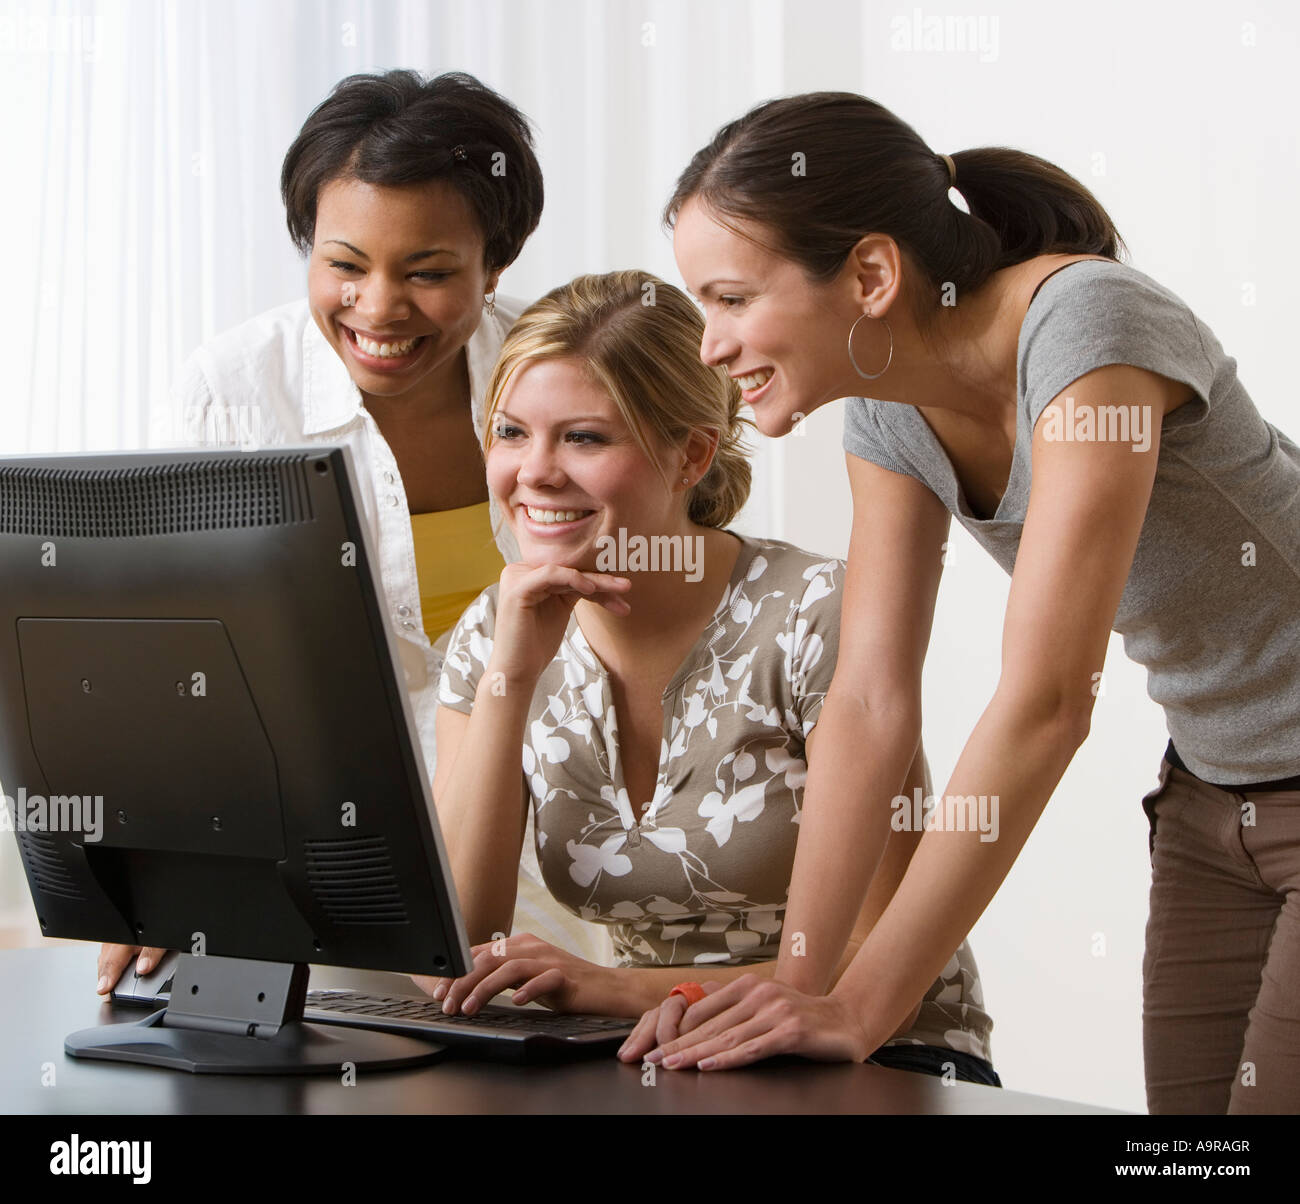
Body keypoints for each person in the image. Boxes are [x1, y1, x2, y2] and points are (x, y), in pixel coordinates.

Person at [623, 90, 1300, 1113]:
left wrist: (867, 1005)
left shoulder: (1088, 329)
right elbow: (867, 703)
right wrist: (801, 980)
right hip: (1211, 796)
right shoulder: (890, 416)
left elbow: (1046, 701)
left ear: (871, 274)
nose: (708, 344)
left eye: (728, 298)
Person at [94, 68, 608, 999]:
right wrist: (163, 868)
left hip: (544, 818)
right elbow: (181, 659)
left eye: (429, 272)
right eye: (344, 265)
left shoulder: (560, 379)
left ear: (495, 264)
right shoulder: (239, 391)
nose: (378, 309)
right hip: (316, 835)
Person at [420, 269, 1001, 1085]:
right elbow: (448, 947)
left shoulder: (816, 612)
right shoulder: (494, 631)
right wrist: (509, 679)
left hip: (879, 1063)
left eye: (584, 438)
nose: (535, 472)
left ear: (690, 453)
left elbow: (878, 975)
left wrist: (614, 989)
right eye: (511, 433)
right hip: (657, 1061)